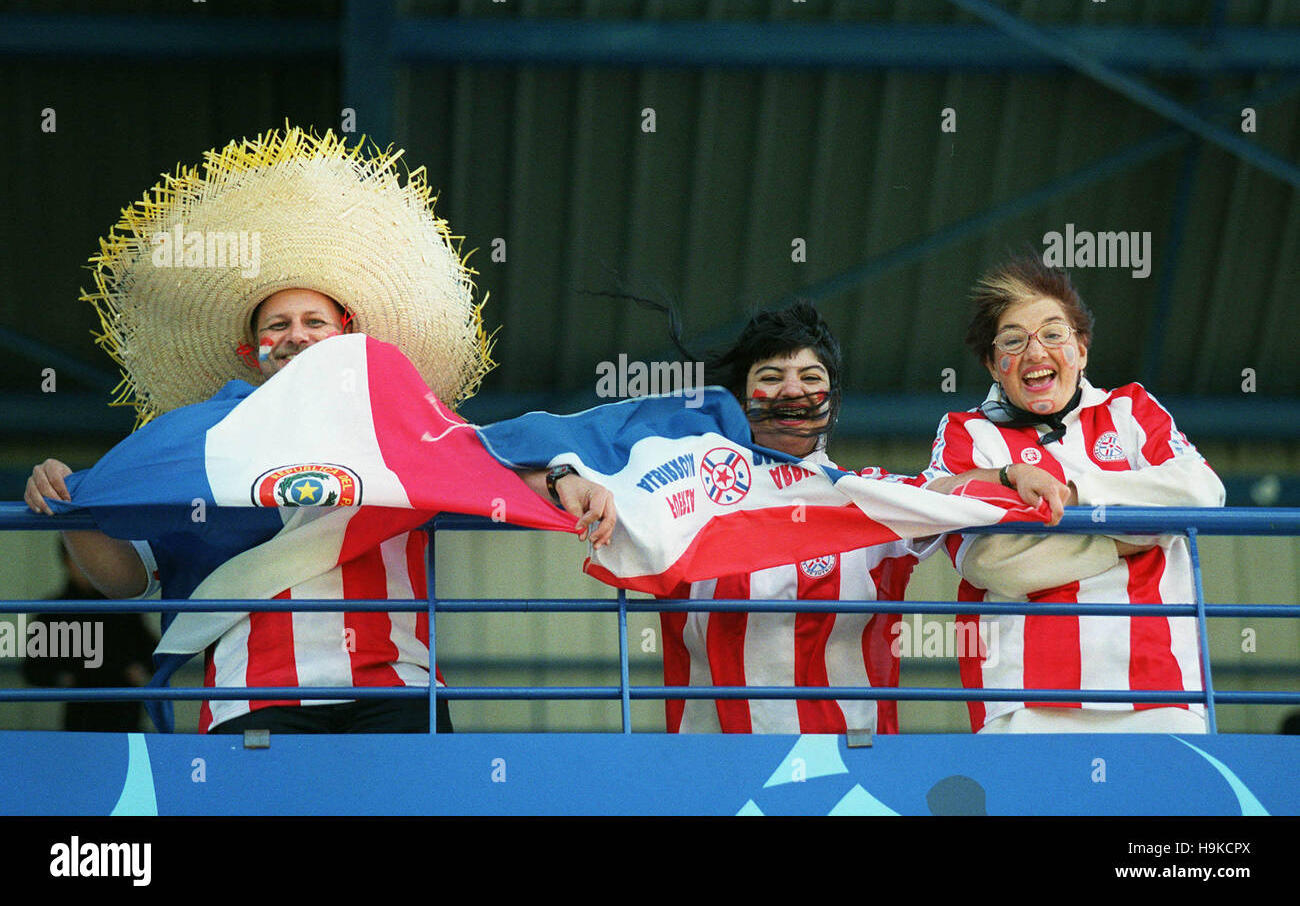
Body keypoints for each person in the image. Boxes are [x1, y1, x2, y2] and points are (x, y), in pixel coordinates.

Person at [25, 126, 614, 735]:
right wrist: (71, 505)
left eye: (315, 321)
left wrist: (564, 473)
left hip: (400, 693)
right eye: (277, 324)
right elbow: (129, 577)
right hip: (254, 700)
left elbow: (487, 457)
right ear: (251, 350)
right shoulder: (201, 442)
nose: (296, 335)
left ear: (348, 335)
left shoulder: (406, 425)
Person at [923, 253, 1225, 733]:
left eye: (1053, 333)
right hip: (1023, 698)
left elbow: (1203, 492)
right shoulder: (969, 434)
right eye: (1013, 341)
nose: (1035, 352)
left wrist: (1078, 495)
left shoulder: (1131, 408)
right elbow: (986, 561)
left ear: (1081, 350)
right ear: (993, 364)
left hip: (1161, 691)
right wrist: (1123, 537)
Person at [645, 300, 934, 734]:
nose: (792, 391)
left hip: (850, 766)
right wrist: (564, 476)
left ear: (833, 403)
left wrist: (1008, 473)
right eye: (771, 377)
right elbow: (565, 466)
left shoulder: (874, 497)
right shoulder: (686, 496)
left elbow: (956, 495)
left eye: (811, 378)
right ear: (741, 405)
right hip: (714, 766)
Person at [21, 542, 157, 732]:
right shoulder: (53, 612)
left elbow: (151, 651)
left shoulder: (121, 607)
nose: (86, 566)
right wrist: (62, 679)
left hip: (124, 711)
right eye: (79, 559)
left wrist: (139, 669)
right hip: (81, 714)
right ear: (67, 562)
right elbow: (33, 670)